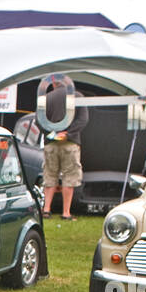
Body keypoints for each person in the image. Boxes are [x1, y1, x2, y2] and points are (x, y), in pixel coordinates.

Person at [37, 73, 88, 221]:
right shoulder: (77, 97)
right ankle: (66, 212)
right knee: (69, 177)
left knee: (49, 176)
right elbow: (83, 120)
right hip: (70, 143)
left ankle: (46, 210)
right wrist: (68, 133)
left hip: (51, 144)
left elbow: (38, 120)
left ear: (53, 85)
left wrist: (52, 134)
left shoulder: (46, 98)